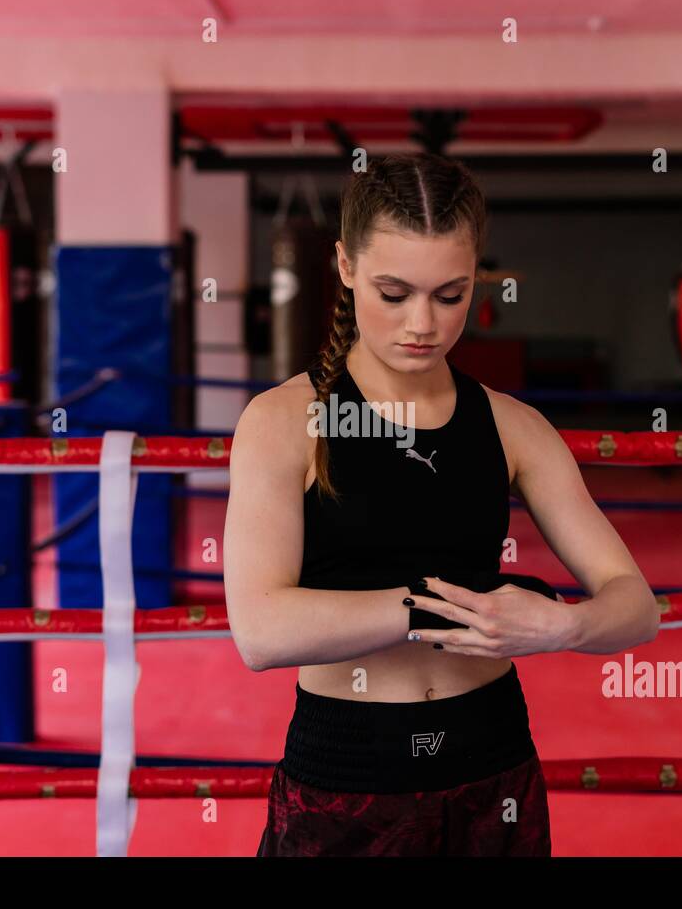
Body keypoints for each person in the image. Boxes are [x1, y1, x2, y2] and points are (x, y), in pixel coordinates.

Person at [223, 151, 659, 856]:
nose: (422, 323)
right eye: (393, 293)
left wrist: (559, 628)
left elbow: (636, 605)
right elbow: (261, 630)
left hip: (491, 761)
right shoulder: (283, 420)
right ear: (343, 266)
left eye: (449, 295)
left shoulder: (514, 426)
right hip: (347, 765)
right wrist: (440, 608)